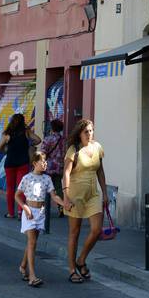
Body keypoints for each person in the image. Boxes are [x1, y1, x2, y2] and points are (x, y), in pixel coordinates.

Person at [62, 118, 108, 284]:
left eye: (91, 130)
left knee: (96, 230)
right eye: (86, 132)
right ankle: (72, 269)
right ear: (80, 134)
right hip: (75, 195)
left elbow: (100, 172)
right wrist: (66, 197)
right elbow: (66, 173)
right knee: (74, 232)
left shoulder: (97, 147)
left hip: (93, 194)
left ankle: (81, 259)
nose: (90, 134)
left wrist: (105, 193)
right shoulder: (73, 150)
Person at [15, 149, 67, 286]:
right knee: (32, 242)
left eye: (46, 161)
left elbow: (54, 195)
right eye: (42, 161)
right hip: (29, 211)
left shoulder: (47, 179)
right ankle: (32, 276)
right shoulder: (27, 178)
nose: (45, 164)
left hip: (41, 212)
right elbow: (17, 195)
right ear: (34, 163)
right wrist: (25, 208)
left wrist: (64, 203)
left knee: (32, 242)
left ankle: (22, 265)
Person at [0, 112, 38, 220]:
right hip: (23, 163)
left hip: (10, 163)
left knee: (10, 189)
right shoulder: (26, 132)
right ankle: (20, 212)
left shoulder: (7, 134)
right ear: (23, 122)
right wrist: (30, 144)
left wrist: (5, 150)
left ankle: (11, 213)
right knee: (21, 188)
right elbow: (38, 140)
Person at [41, 119, 66, 216]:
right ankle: (61, 208)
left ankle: (43, 209)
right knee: (58, 187)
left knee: (45, 187)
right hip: (59, 166)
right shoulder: (64, 140)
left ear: (52, 128)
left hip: (49, 167)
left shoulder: (48, 139)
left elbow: (42, 153)